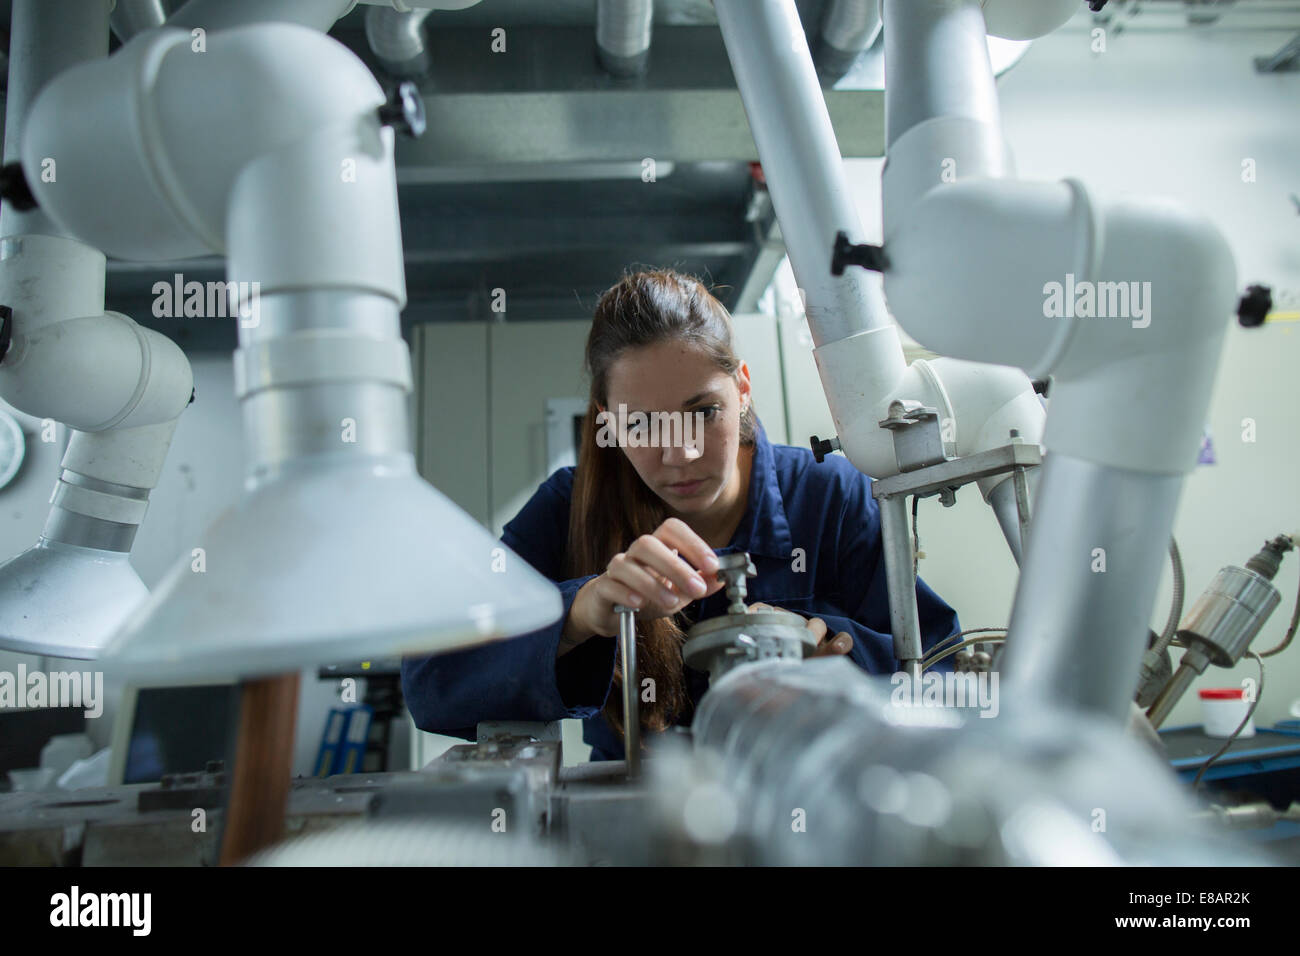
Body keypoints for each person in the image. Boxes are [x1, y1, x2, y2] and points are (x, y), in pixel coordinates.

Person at [402, 269, 961, 761]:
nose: (682, 454)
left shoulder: (827, 497)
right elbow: (431, 683)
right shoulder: (567, 510)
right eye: (642, 424)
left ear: (742, 388)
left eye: (703, 412)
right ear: (607, 422)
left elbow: (945, 675)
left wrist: (841, 658)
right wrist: (580, 613)